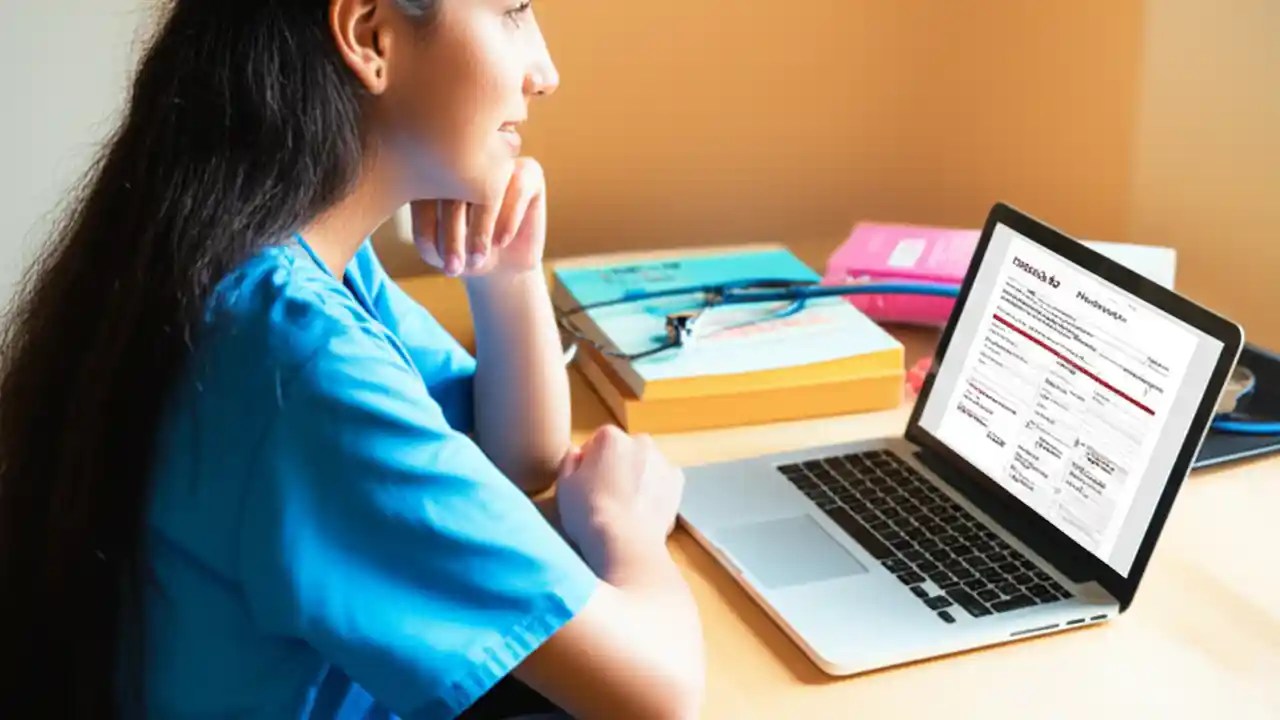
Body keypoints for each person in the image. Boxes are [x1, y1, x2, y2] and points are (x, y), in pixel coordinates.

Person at [0, 1, 705, 718]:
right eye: (513, 11)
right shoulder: (301, 360)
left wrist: (506, 274)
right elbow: (658, 696)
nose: (545, 73)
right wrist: (629, 530)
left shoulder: (278, 268)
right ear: (370, 35)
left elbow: (517, 460)